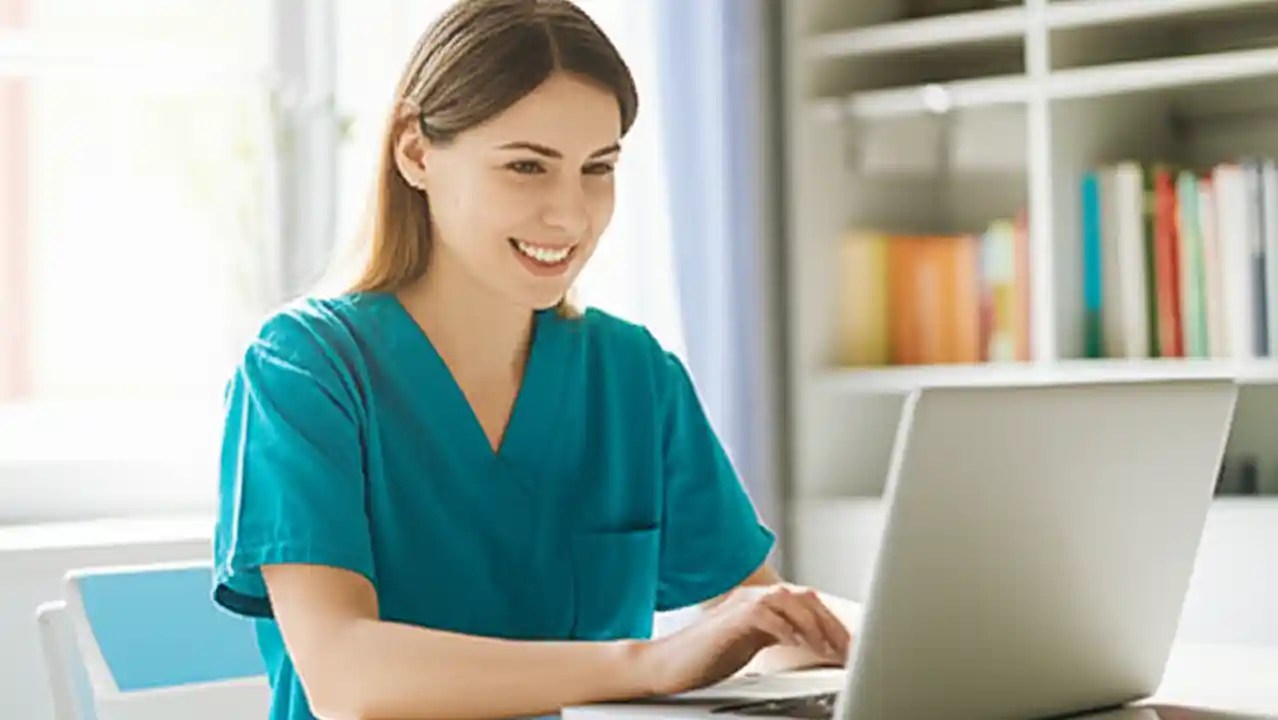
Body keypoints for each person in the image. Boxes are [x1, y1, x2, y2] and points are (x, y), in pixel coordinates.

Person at [212, 1, 861, 718]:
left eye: (598, 168)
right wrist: (651, 663)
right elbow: (347, 680)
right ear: (416, 152)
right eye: (527, 166)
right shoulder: (304, 371)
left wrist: (835, 648)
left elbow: (761, 620)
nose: (571, 215)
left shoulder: (635, 377)